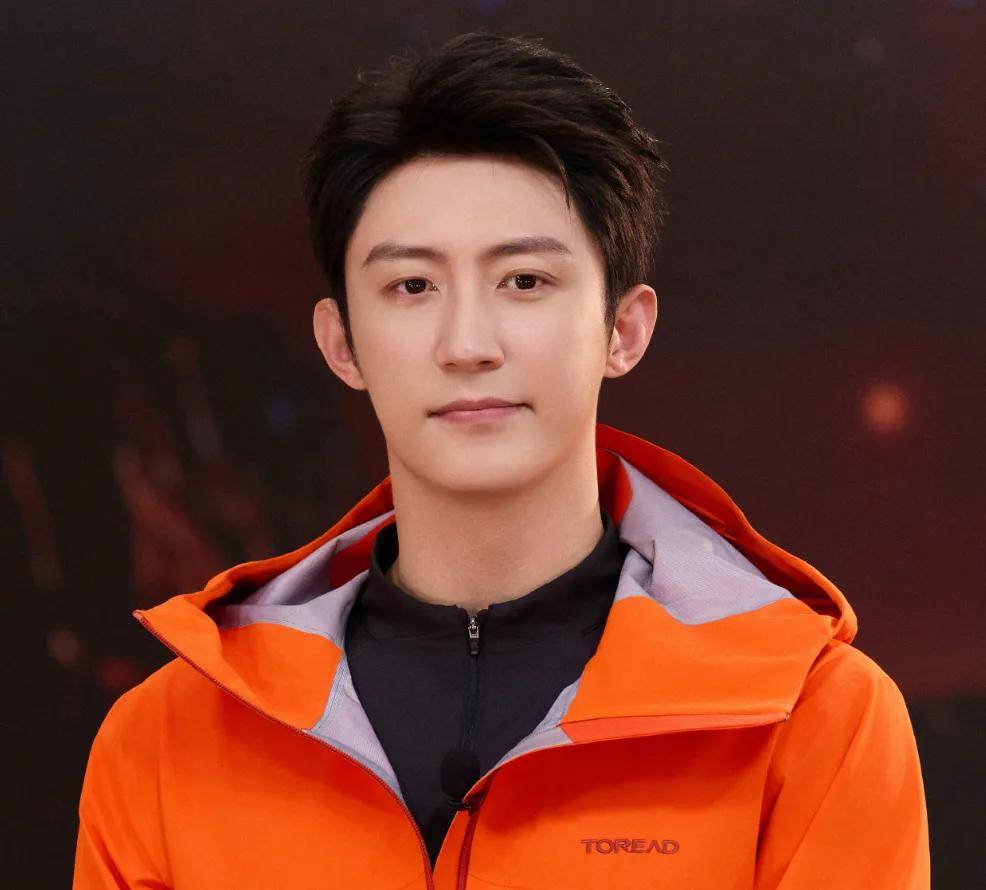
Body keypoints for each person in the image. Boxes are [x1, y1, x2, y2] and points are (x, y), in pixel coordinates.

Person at [73, 30, 930, 889]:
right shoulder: (164, 742)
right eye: (412, 286)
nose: (467, 344)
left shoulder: (814, 722)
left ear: (624, 329)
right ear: (341, 343)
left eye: (524, 281)